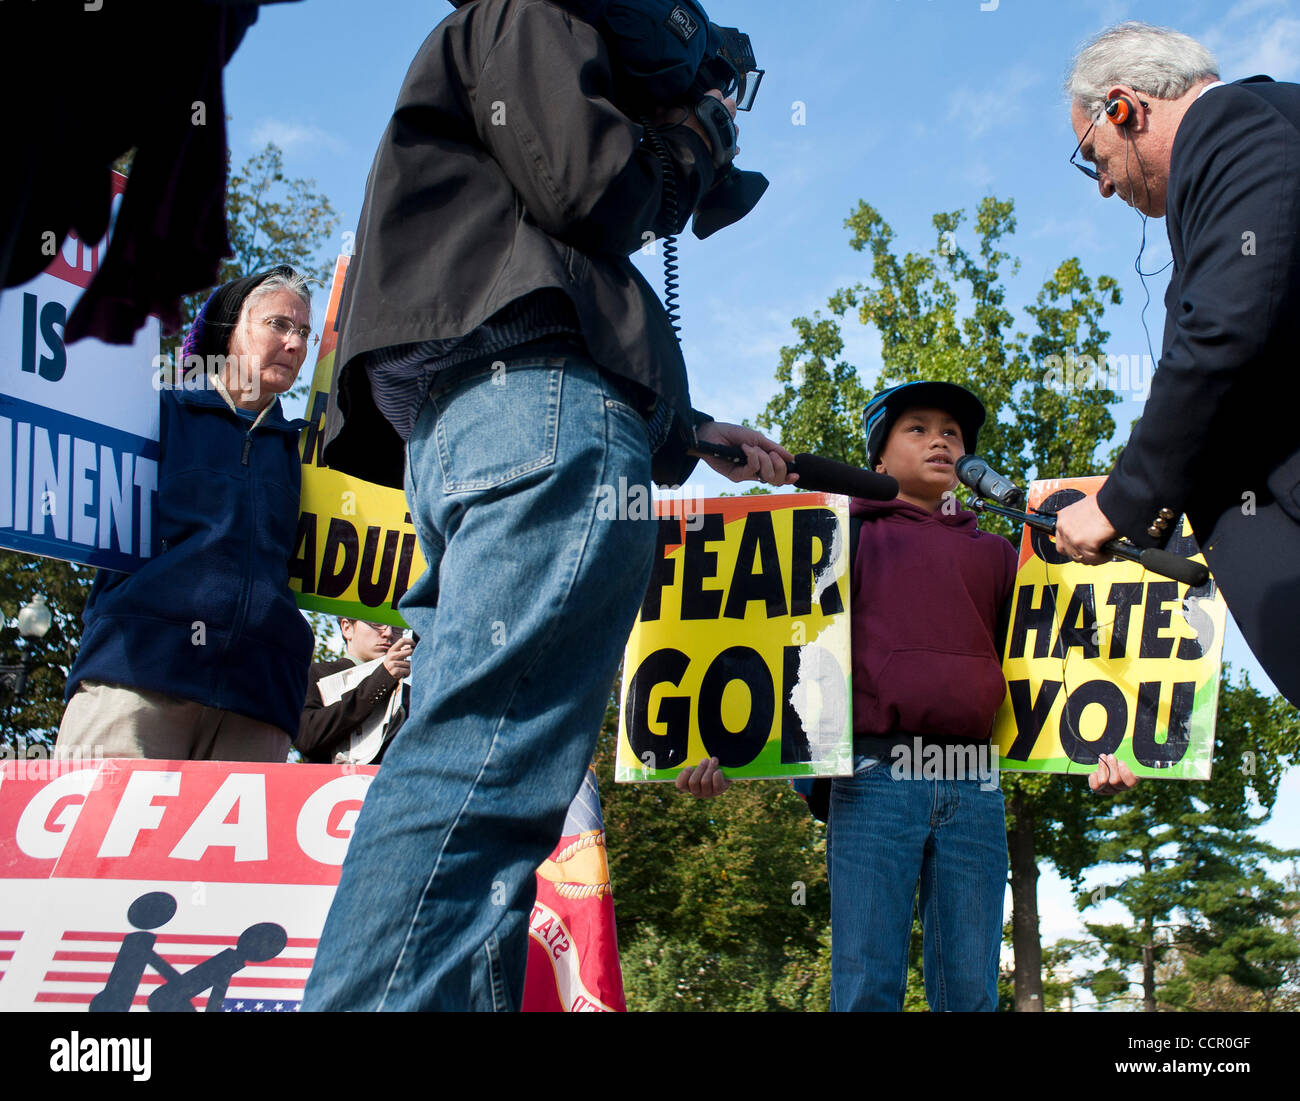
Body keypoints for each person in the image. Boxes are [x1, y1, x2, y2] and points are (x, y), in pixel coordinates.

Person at [302, 0, 793, 1012]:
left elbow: (537, 277)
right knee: (482, 768)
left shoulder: (500, 63)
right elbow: (593, 187)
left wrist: (689, 431)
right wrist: (691, 146)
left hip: (481, 421)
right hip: (532, 418)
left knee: (485, 778)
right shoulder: (530, 12)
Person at [679, 381, 1137, 1011]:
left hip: (975, 786)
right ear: (877, 460)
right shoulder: (837, 542)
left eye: (952, 432)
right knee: (868, 985)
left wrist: (1098, 750)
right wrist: (733, 753)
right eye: (916, 429)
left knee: (972, 991)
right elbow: (786, 661)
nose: (941, 440)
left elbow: (1051, 664)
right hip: (872, 780)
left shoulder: (1004, 555)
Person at [1052, 22, 1300, 707]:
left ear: (1123, 107)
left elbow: (1221, 334)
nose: (1101, 185)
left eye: (1092, 156)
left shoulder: (1231, 127)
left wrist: (1120, 502)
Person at [55, 266, 317, 762]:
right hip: (136, 678)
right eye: (279, 325)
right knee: (98, 839)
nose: (295, 344)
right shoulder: (153, 413)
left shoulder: (303, 455)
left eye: (304, 332)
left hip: (257, 704)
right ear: (230, 328)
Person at [296, 618, 413, 764]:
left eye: (397, 628)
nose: (388, 633)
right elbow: (307, 737)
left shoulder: (410, 695)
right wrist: (381, 679)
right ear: (347, 628)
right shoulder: (314, 674)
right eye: (377, 623)